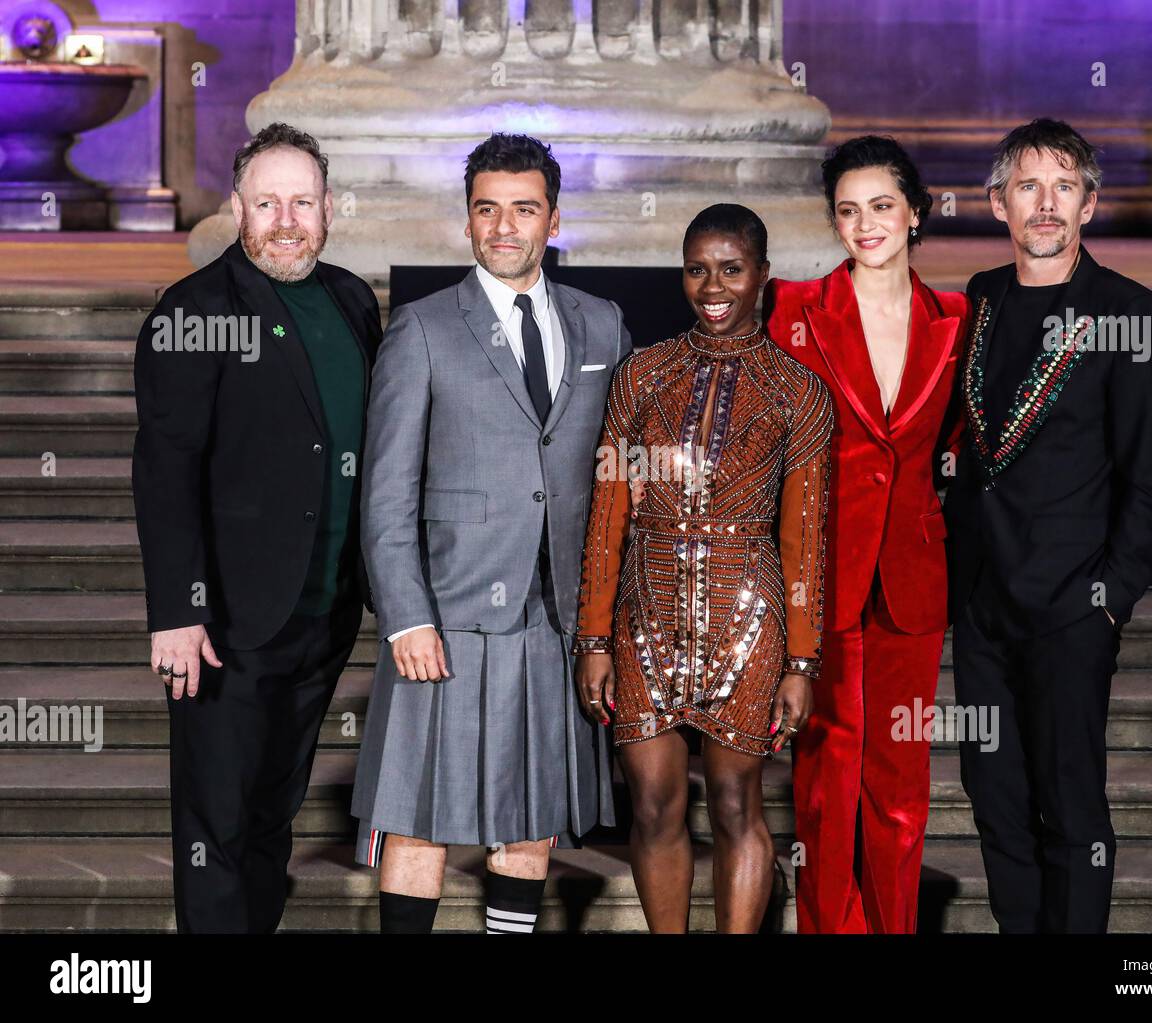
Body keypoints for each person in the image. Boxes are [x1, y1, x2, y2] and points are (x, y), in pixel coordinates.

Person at [350, 133, 630, 934]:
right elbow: (387, 488)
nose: (505, 226)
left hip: (558, 621)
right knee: (417, 813)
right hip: (446, 617)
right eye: (487, 210)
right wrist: (406, 613)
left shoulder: (602, 325)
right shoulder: (425, 328)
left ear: (552, 216)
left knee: (530, 813)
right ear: (467, 221)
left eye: (524, 208)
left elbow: (615, 475)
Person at [133, 122, 382, 932]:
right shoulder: (194, 310)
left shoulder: (351, 300)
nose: (285, 219)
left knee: (273, 816)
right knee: (218, 826)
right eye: (267, 201)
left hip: (321, 615)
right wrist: (176, 608)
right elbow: (165, 468)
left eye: (302, 202)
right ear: (237, 207)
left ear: (329, 209)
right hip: (226, 623)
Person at [945, 118, 1152, 932]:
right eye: (1027, 187)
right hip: (982, 607)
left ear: (1089, 204)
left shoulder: (1133, 314)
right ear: (997, 204)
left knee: (1071, 808)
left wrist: (1113, 594)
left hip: (1073, 606)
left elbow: (1150, 475)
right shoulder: (977, 301)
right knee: (997, 803)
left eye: (1064, 187)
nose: (1045, 204)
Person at [573, 203, 834, 933]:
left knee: (732, 801)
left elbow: (806, 540)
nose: (712, 285)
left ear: (762, 277)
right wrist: (592, 640)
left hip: (749, 620)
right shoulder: (640, 377)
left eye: (731, 268)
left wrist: (803, 662)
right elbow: (605, 517)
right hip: (644, 613)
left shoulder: (800, 393)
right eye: (696, 269)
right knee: (654, 802)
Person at [764, 136, 972, 933]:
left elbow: (956, 440)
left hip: (913, 579)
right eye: (848, 211)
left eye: (882, 206)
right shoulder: (794, 310)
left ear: (915, 213)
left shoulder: (956, 318)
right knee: (825, 780)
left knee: (900, 786)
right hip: (820, 576)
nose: (865, 224)